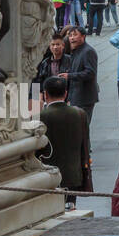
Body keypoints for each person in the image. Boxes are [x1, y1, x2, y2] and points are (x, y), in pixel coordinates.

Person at [38, 76, 90, 210]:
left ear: (45, 94)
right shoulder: (80, 113)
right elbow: (85, 146)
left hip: (50, 176)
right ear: (66, 93)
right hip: (74, 175)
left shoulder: (41, 116)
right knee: (70, 210)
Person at [62, 25, 98, 126]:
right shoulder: (75, 51)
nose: (72, 38)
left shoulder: (88, 51)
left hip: (84, 97)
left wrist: (70, 76)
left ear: (83, 36)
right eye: (70, 35)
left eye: (75, 35)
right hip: (75, 96)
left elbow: (90, 73)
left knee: (82, 128)